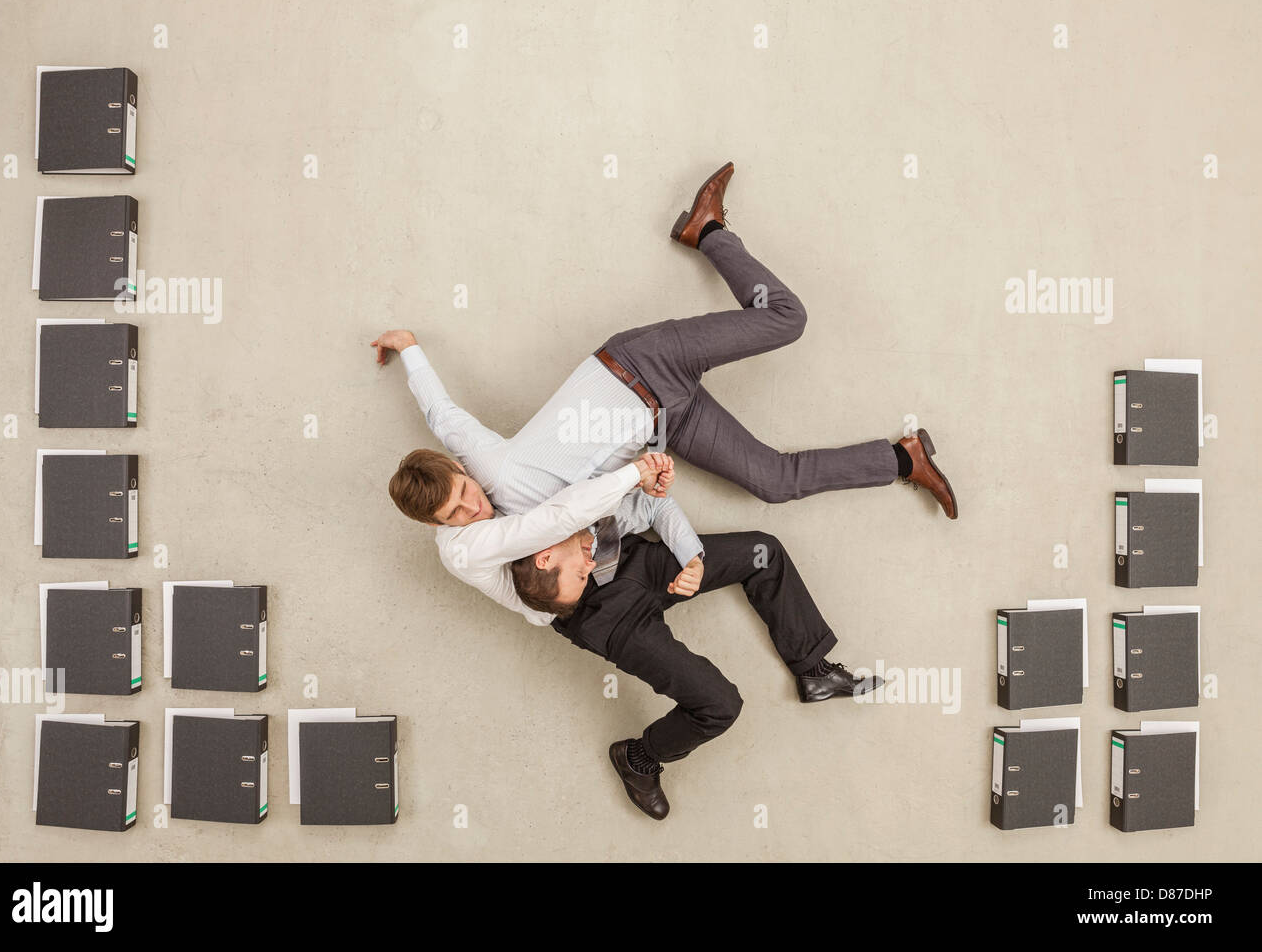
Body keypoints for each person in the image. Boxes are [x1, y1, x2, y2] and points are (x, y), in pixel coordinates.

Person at [373, 160, 956, 622]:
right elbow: (548, 585)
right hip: (665, 424)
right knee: (773, 482)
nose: (472, 509)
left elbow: (442, 414)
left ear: (461, 470)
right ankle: (903, 459)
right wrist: (678, 554)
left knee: (786, 319)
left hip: (638, 364)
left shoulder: (484, 462)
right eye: (455, 515)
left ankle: (708, 230)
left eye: (463, 493)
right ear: (437, 526)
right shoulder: (519, 547)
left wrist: (409, 348)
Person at [508, 511, 882, 820]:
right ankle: (638, 759)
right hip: (607, 620)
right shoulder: (502, 541)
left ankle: (814, 671)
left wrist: (692, 561)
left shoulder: (546, 501)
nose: (586, 566)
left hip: (631, 560)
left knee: (763, 552)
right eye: (580, 572)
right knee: (721, 705)